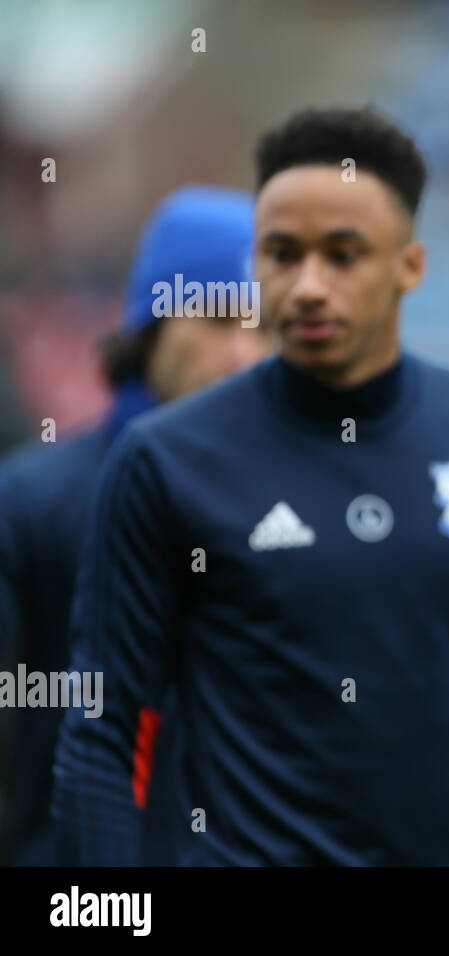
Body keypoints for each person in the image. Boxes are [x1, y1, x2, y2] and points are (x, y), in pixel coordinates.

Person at [53, 105, 449, 865]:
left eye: (343, 255)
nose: (309, 286)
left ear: (409, 265)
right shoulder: (164, 459)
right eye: (283, 254)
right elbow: (105, 729)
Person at [0, 185, 268, 864]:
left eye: (261, 326)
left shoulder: (301, 509)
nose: (241, 354)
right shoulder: (32, 504)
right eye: (215, 320)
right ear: (151, 324)